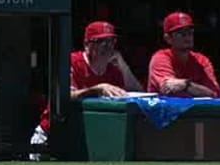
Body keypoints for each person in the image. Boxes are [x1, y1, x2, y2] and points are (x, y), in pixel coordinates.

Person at [30, 20, 142, 149]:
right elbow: (65, 95)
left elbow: (132, 94)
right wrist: (97, 89)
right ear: (87, 45)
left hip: (90, 138)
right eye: (100, 42)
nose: (107, 46)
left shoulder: (114, 72)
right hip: (55, 133)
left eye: (111, 41)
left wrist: (123, 65)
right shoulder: (72, 61)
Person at [147, 12, 220, 98]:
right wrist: (198, 90)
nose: (187, 37)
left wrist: (186, 85)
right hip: (165, 110)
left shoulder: (202, 60)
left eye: (190, 32)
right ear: (168, 38)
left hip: (195, 110)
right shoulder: (160, 58)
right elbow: (169, 90)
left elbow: (214, 94)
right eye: (181, 33)